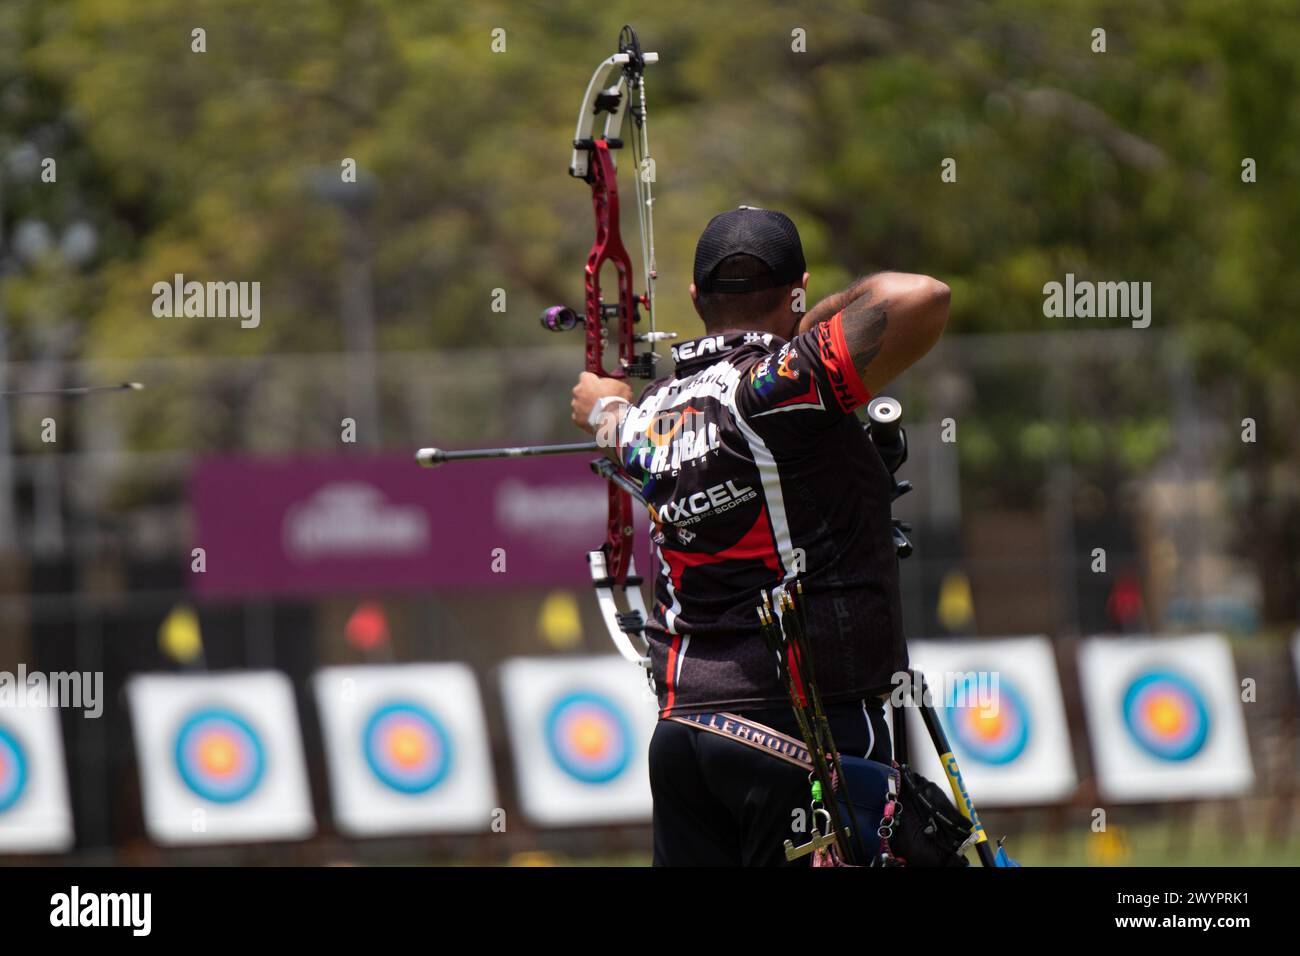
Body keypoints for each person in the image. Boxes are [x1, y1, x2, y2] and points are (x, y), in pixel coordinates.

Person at [570, 206, 950, 865]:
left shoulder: (650, 413)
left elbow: (618, 430)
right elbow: (921, 295)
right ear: (797, 289)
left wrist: (604, 406)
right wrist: (813, 323)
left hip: (686, 735)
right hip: (801, 729)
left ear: (696, 299)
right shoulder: (774, 389)